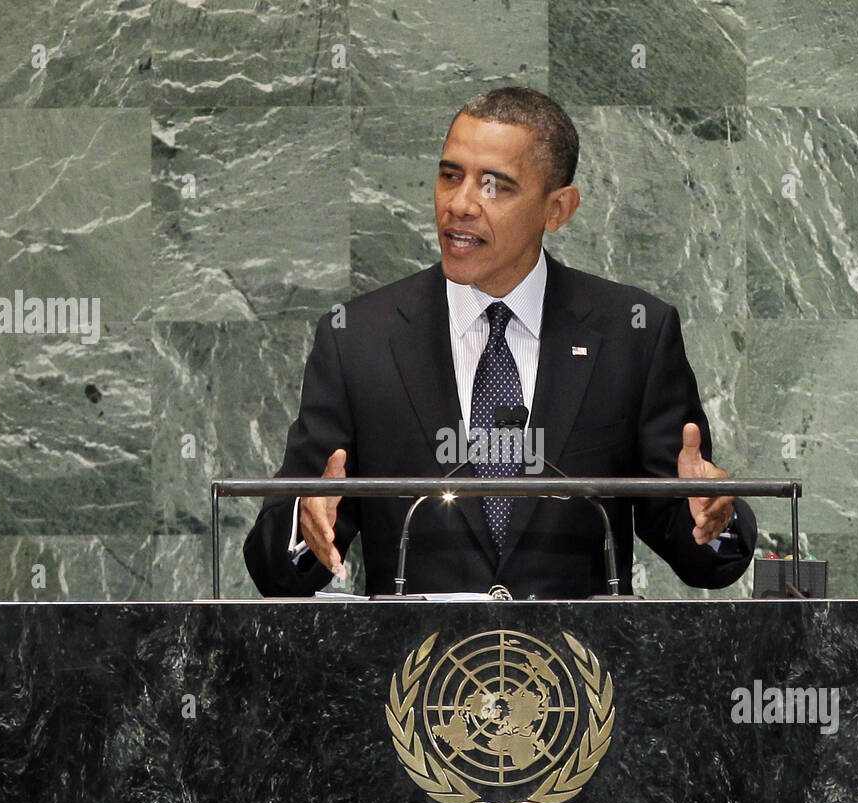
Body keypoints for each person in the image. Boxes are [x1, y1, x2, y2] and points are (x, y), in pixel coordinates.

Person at [244, 87, 756, 598]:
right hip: (416, 670)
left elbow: (702, 554)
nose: (460, 204)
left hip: (578, 671)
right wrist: (303, 530)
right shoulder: (359, 339)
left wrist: (712, 519)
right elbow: (273, 563)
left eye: (495, 186)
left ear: (557, 210)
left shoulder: (632, 335)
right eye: (450, 176)